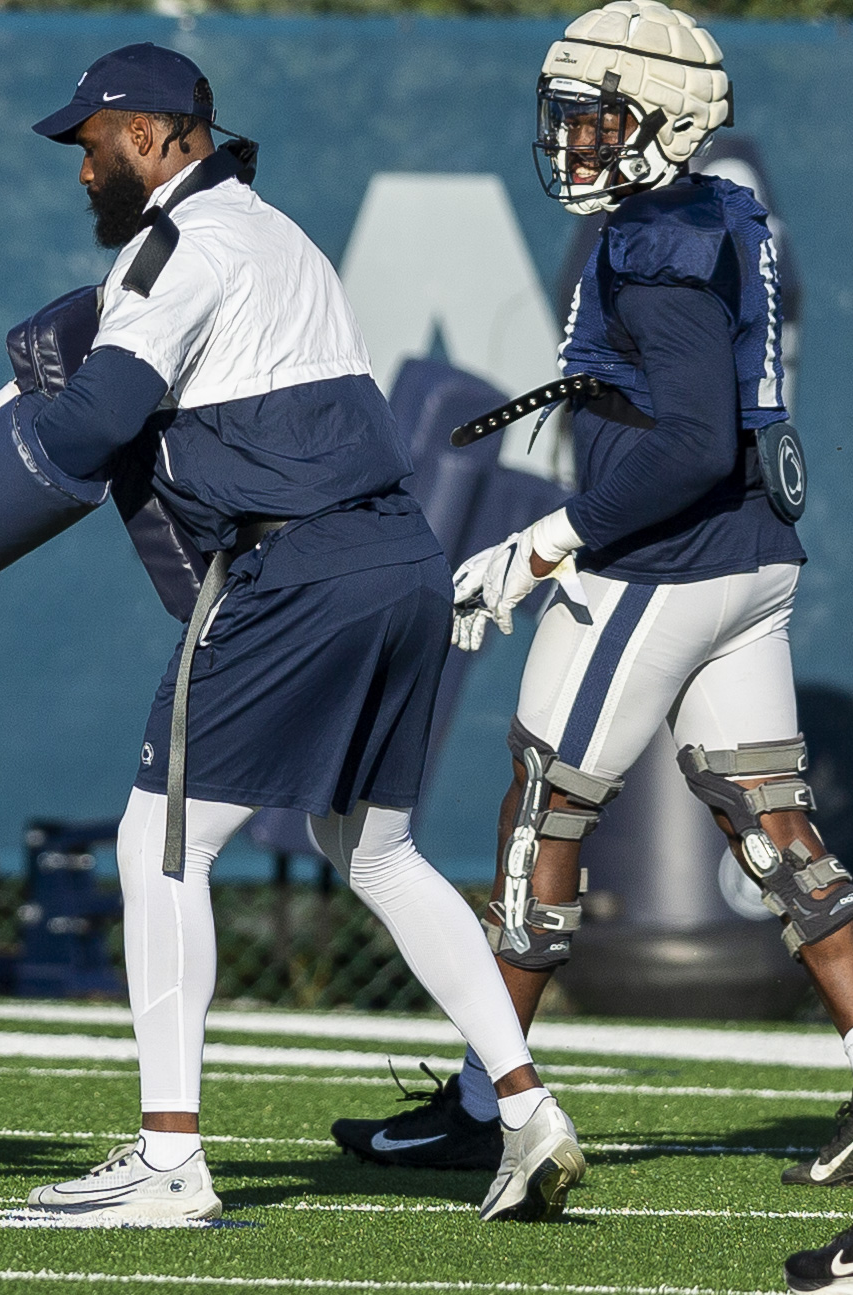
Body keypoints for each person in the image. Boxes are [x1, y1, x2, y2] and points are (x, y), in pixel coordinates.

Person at [5, 43, 583, 1225]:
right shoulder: (277, 232)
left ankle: (169, 1159)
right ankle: (525, 1111)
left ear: (160, 135)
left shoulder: (176, 246)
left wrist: (9, 435)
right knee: (375, 851)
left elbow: (99, 421)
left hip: (298, 562)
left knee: (159, 844)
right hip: (398, 554)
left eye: (93, 142)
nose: (81, 170)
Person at [330, 0, 853, 1196]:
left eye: (596, 119)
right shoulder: (721, 209)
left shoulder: (656, 238)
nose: (571, 143)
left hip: (660, 563)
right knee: (778, 838)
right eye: (564, 120)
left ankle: (488, 1097)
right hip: (753, 555)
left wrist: (545, 542)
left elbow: (684, 442)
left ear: (661, 121)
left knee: (540, 819)